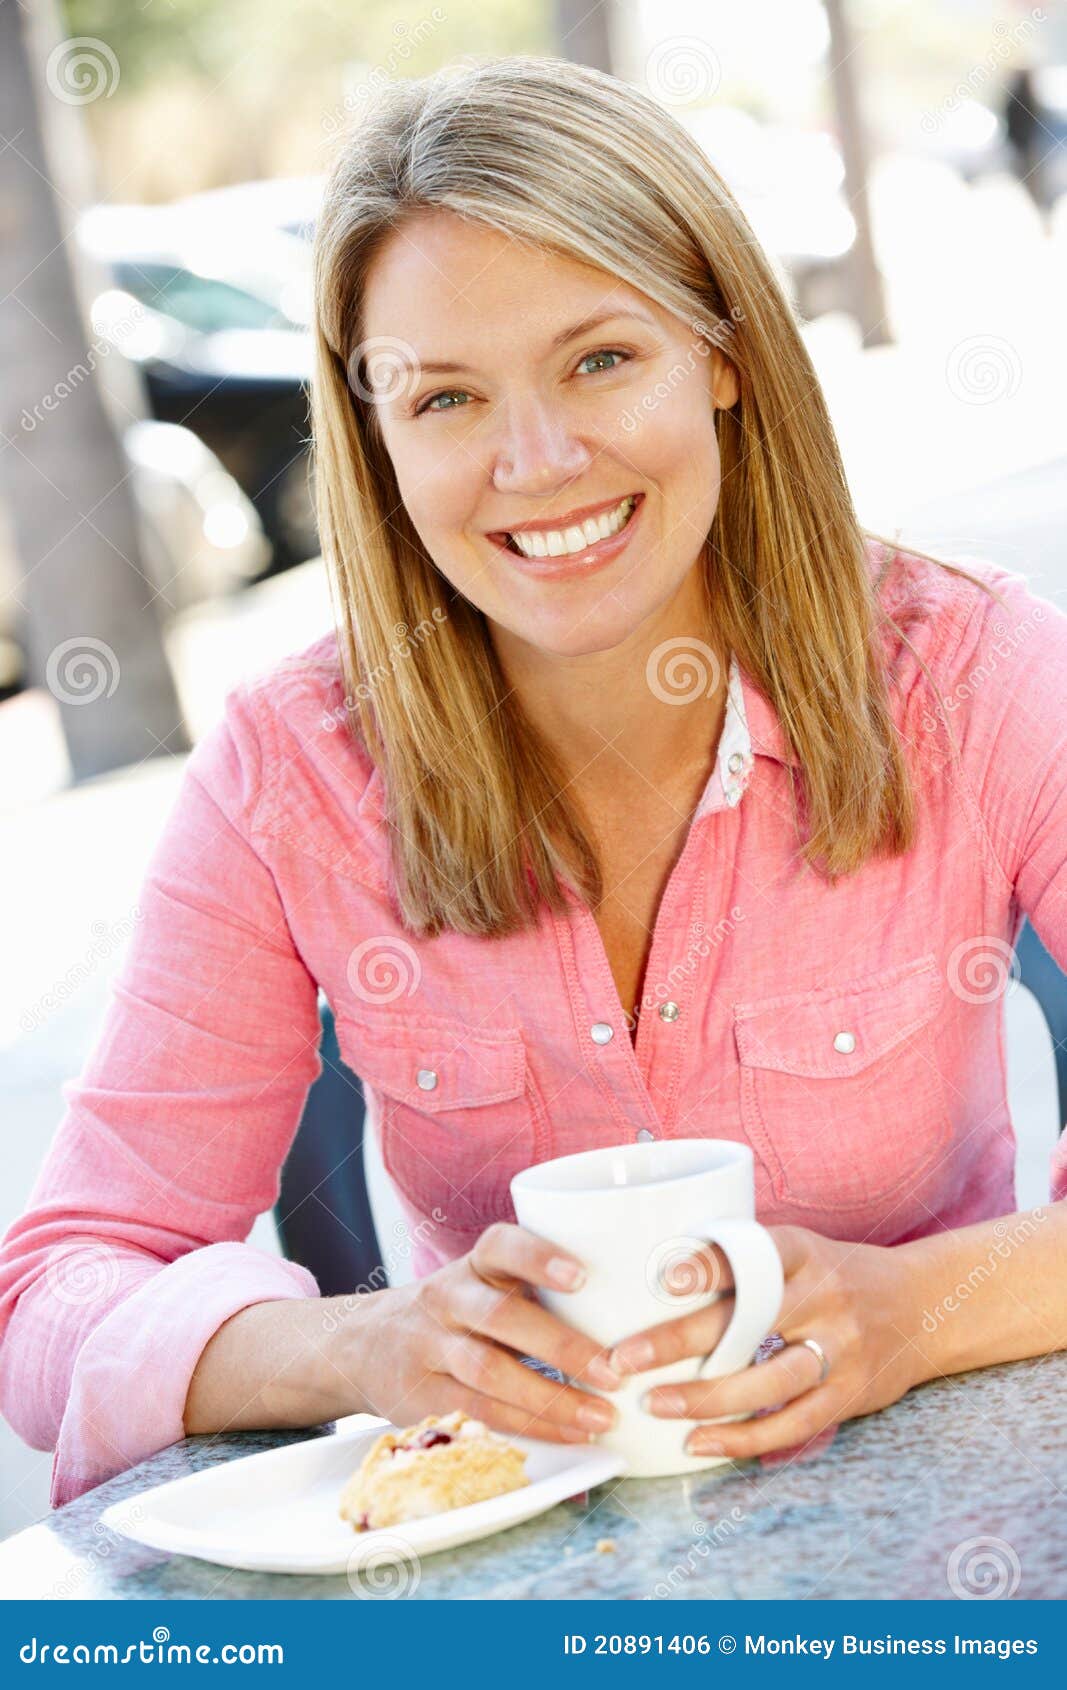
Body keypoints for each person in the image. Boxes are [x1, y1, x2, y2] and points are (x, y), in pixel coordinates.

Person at [2, 55, 1065, 1509]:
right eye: (445, 398)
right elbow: (58, 1290)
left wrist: (914, 1308)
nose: (538, 461)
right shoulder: (289, 769)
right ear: (376, 434)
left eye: (601, 359)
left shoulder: (977, 673)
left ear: (724, 350)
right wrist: (367, 1343)